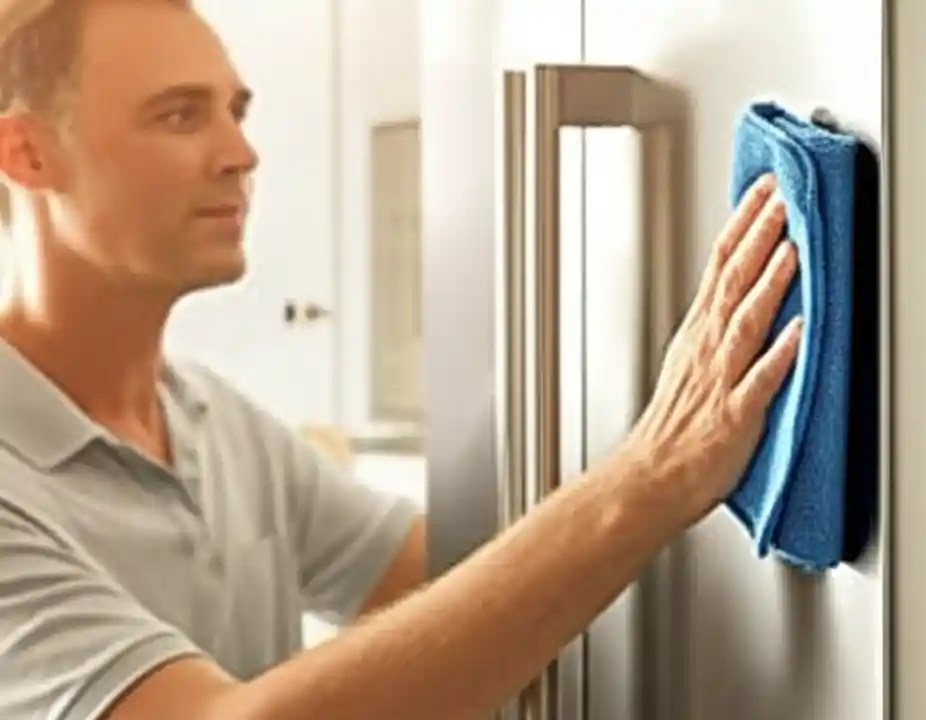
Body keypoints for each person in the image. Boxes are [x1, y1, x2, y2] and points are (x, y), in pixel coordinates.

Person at [0, 1, 801, 718]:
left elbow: (453, 585)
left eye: (236, 112)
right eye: (179, 116)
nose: (241, 153)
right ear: (26, 154)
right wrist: (651, 477)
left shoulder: (213, 423)